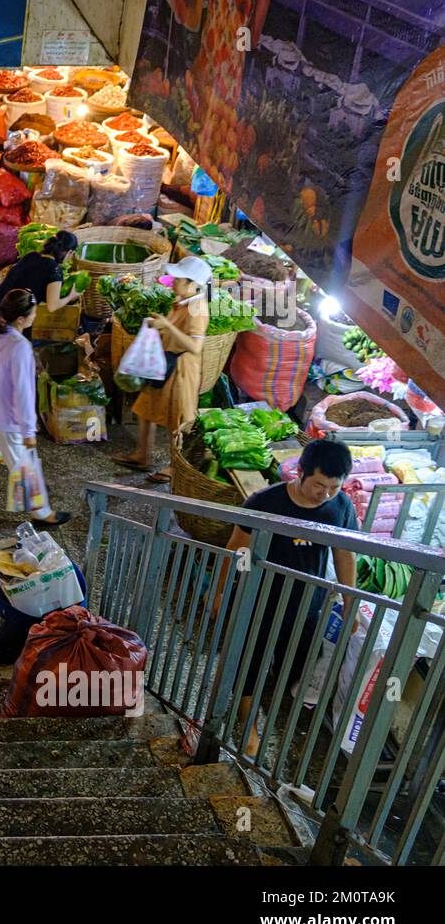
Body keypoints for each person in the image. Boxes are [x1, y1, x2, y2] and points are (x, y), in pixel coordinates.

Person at [215, 439, 358, 757]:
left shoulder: (341, 506)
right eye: (319, 485)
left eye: (334, 487)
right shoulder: (265, 502)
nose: (326, 494)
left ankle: (269, 708)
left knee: (295, 660)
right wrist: (222, 590)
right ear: (300, 472)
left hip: (308, 603)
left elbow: (344, 555)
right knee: (249, 661)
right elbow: (237, 545)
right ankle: (248, 725)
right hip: (260, 600)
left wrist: (351, 604)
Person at [0, 289, 71, 527]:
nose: (35, 316)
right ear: (21, 319)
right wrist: (28, 431)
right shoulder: (19, 346)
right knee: (23, 464)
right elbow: (24, 392)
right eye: (34, 313)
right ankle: (42, 513)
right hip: (4, 417)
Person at [113, 256, 212, 482]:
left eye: (178, 279)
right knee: (146, 408)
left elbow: (195, 346)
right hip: (165, 362)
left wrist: (166, 325)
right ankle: (142, 455)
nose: (172, 282)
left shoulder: (197, 308)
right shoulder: (180, 302)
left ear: (191, 283)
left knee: (177, 420)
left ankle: (175, 467)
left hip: (182, 368)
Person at [0, 230, 82, 314]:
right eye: (72, 254)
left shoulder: (31, 256)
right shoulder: (54, 270)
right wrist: (71, 296)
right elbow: (52, 306)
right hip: (11, 318)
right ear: (68, 252)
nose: (70, 258)